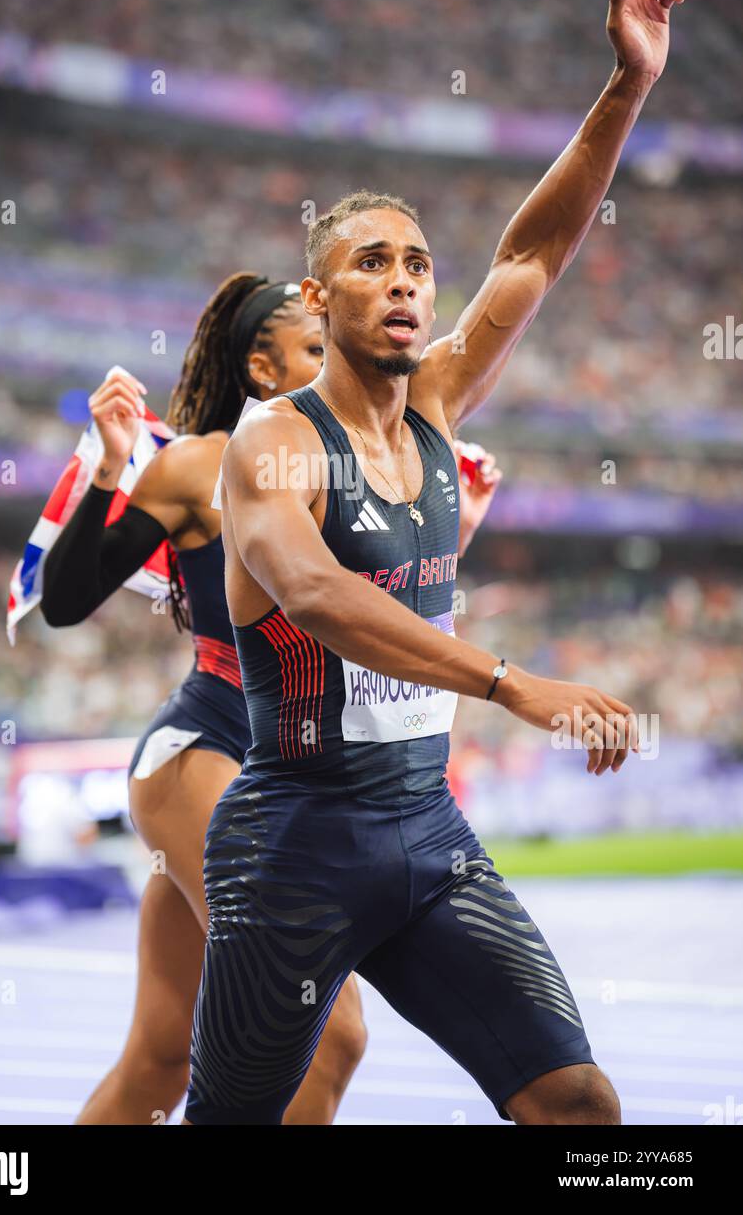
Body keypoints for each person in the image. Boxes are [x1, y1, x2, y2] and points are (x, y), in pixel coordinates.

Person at [183, 0, 689, 1126]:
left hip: (428, 834)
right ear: (319, 296)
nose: (407, 281)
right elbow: (313, 596)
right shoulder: (275, 443)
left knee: (579, 1106)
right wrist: (510, 683)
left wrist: (627, 85)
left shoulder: (440, 404)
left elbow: (530, 252)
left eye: (417, 262)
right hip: (293, 845)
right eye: (373, 262)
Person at [39, 268, 500, 1123]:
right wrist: (110, 470)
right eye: (318, 349)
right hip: (201, 758)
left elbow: (368, 621)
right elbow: (65, 603)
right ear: (262, 369)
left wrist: (452, 535)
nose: (342, 364)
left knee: (161, 1058)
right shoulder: (201, 465)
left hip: (281, 775)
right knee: (328, 1030)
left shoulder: (351, 468)